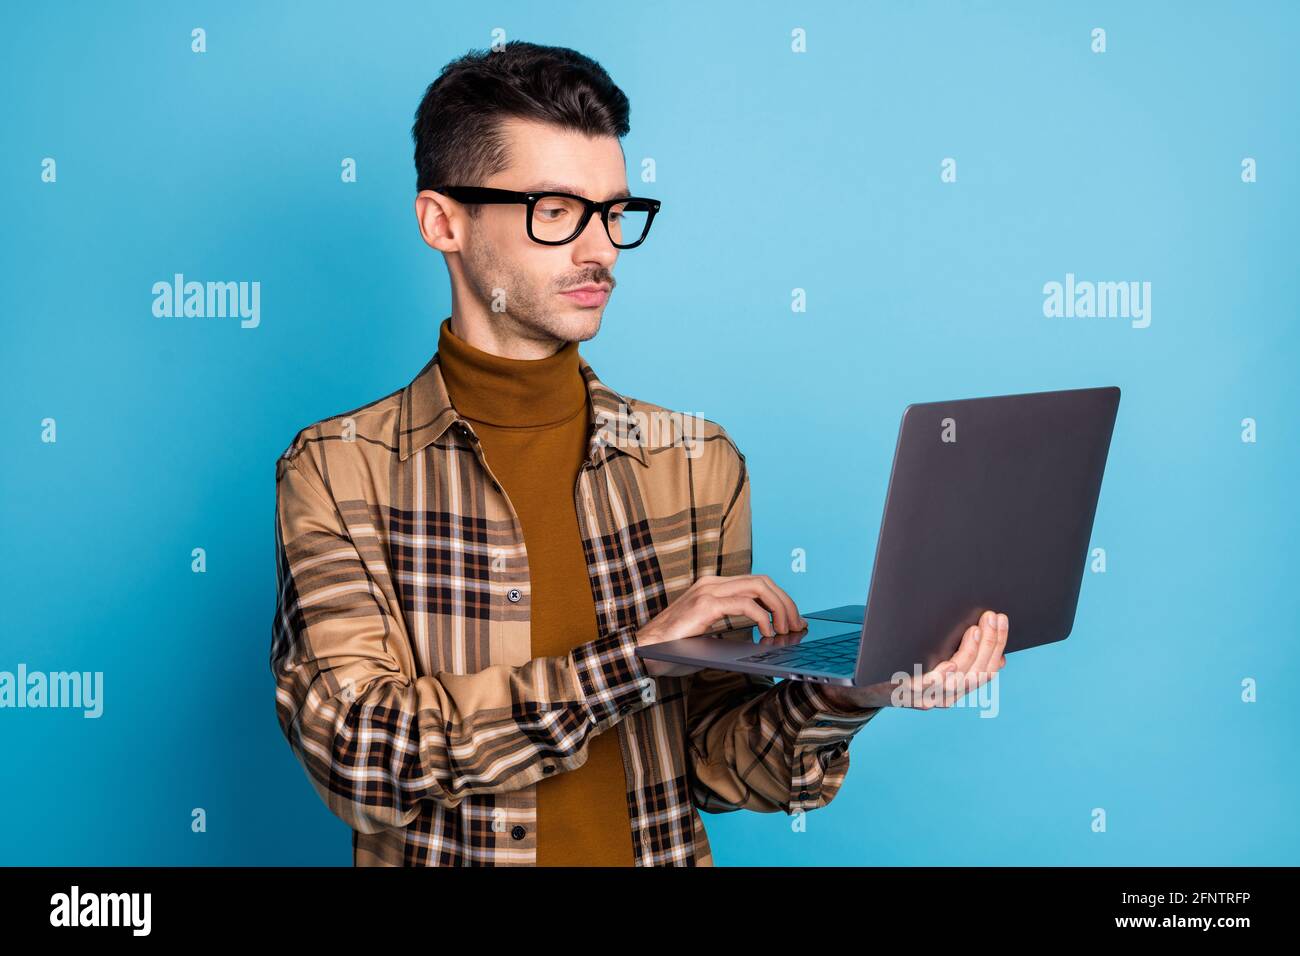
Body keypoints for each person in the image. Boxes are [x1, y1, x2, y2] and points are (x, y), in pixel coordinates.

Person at [270, 40, 1009, 867]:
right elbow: (359, 758)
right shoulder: (339, 469)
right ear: (443, 220)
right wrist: (634, 657)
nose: (602, 251)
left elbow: (717, 766)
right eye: (555, 210)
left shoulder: (695, 464)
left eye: (614, 211)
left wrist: (851, 690)